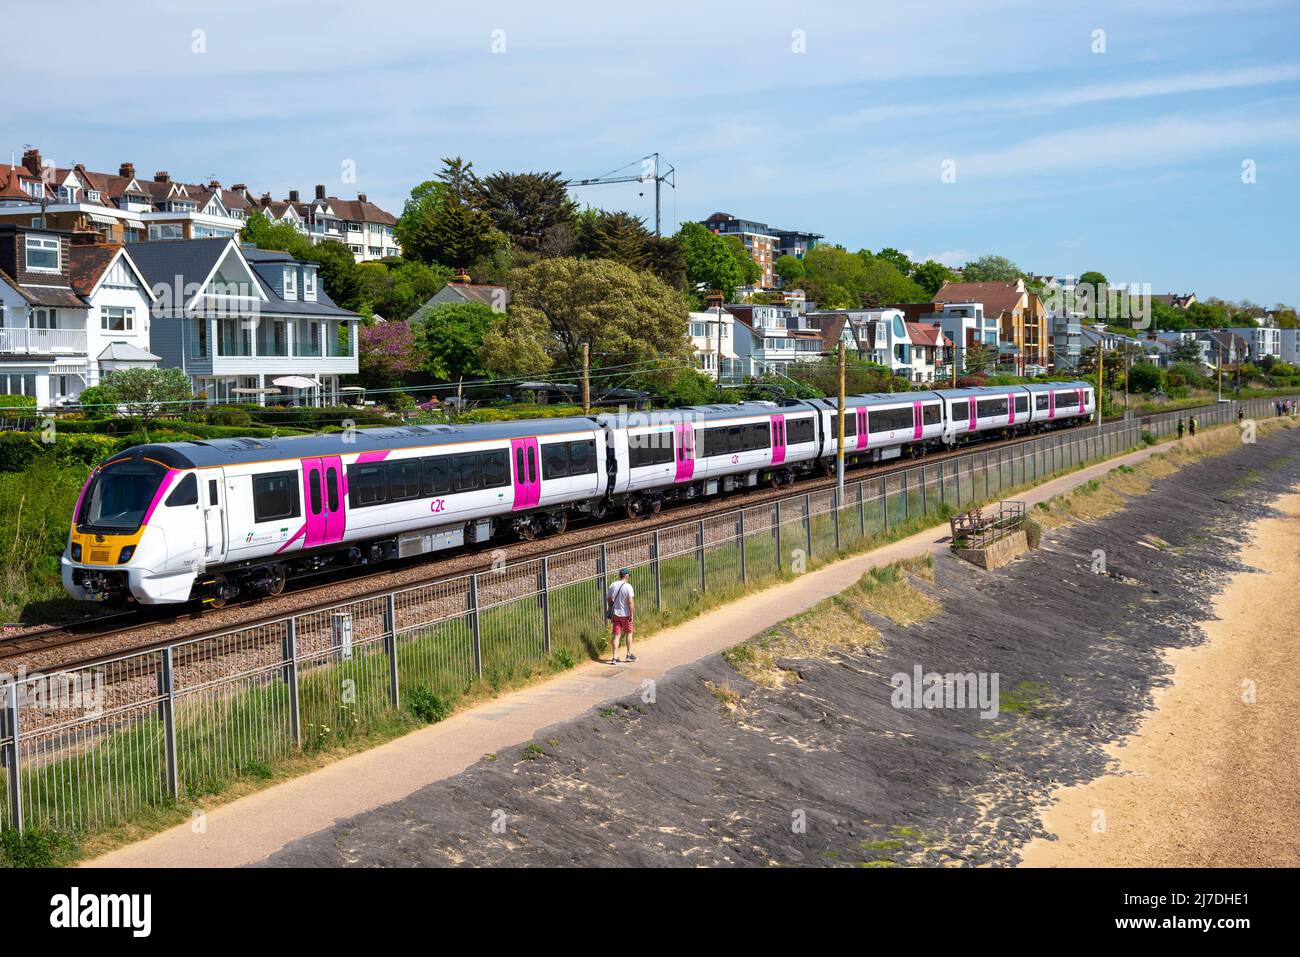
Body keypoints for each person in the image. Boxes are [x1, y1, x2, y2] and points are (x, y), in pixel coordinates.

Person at [605, 568, 636, 664]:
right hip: (626, 614)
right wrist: (631, 614)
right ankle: (629, 654)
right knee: (629, 633)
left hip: (615, 614)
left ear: (620, 575)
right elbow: (630, 602)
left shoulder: (612, 585)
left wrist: (613, 605)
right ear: (626, 576)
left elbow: (609, 599)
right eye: (629, 576)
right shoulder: (628, 586)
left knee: (617, 636)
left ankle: (615, 657)